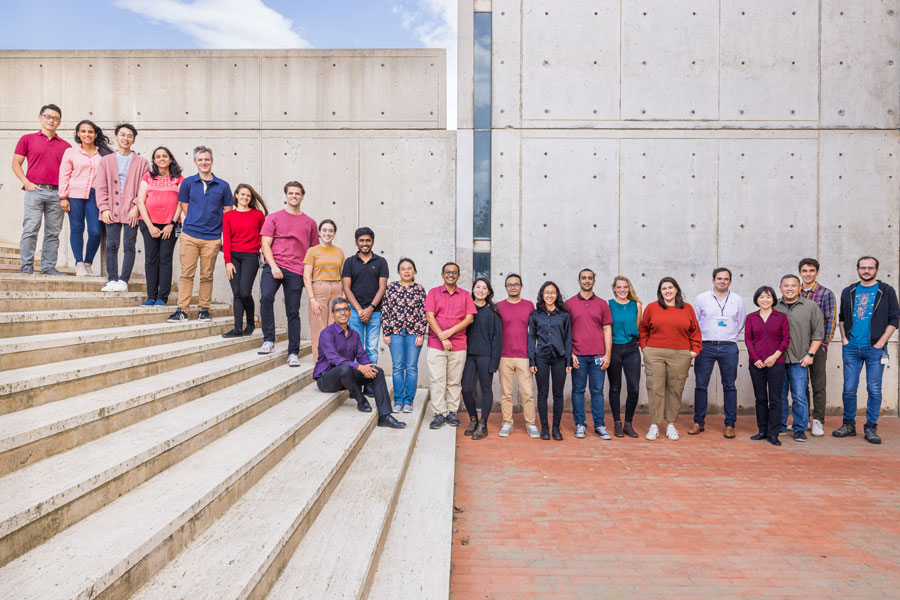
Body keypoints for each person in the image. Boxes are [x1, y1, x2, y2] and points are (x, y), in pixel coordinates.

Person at [833, 257, 899, 444]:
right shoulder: (849, 291)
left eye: (870, 268)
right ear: (857, 269)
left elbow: (895, 319)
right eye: (863, 267)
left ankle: (871, 427)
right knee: (849, 389)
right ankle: (848, 424)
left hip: (875, 349)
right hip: (852, 348)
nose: (866, 271)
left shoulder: (886, 291)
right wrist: (845, 339)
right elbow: (842, 317)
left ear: (877, 270)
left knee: (874, 389)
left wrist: (881, 343)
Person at [313, 298, 405, 429]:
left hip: (348, 377)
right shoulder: (327, 333)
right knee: (344, 368)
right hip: (327, 380)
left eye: (345, 309)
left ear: (350, 312)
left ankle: (385, 416)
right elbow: (334, 359)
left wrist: (368, 367)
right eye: (338, 310)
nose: (343, 313)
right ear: (333, 314)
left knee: (378, 372)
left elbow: (362, 355)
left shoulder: (354, 334)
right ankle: (361, 400)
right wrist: (359, 367)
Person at [257, 182, 319, 366]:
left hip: (296, 270)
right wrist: (274, 266)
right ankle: (269, 340)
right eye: (290, 193)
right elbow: (265, 245)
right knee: (266, 298)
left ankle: (293, 352)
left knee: (292, 311)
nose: (294, 196)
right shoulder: (274, 218)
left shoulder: (310, 222)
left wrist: (309, 275)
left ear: (302, 196)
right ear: (286, 195)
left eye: (297, 193)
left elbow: (313, 252)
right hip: (274, 266)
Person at [168, 146, 233, 322]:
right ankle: (182, 310)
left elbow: (228, 213)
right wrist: (197, 220)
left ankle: (204, 309)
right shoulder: (188, 183)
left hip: (212, 238)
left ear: (211, 161)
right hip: (190, 235)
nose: (204, 162)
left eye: (207, 159)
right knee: (186, 274)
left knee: (206, 275)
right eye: (200, 160)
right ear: (195, 162)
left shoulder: (223, 186)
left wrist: (217, 232)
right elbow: (184, 206)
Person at [639, 277, 702, 441]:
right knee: (655, 388)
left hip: (680, 354)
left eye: (670, 287)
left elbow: (695, 331)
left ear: (676, 290)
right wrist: (645, 349)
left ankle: (671, 425)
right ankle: (654, 425)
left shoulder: (687, 308)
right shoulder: (652, 308)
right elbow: (643, 329)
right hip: (655, 353)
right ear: (660, 291)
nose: (667, 291)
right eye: (664, 288)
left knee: (675, 389)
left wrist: (694, 351)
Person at [12, 103, 71, 275]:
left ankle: (48, 267)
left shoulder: (66, 146)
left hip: (57, 193)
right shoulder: (27, 139)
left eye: (55, 118)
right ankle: (26, 265)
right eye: (48, 116)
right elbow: (16, 164)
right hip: (34, 191)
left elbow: (68, 173)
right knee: (30, 229)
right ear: (40, 117)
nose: (51, 120)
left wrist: (64, 195)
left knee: (53, 233)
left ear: (59, 122)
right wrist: (27, 182)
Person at [690, 268, 747, 438]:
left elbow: (740, 322)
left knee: (729, 386)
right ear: (713, 280)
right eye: (719, 278)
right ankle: (698, 422)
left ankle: (730, 424)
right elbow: (694, 321)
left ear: (730, 281)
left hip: (728, 346)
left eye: (726, 279)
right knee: (701, 385)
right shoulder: (701, 298)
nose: (722, 281)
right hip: (705, 346)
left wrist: (727, 334)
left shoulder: (737, 300)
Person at [94, 124, 150, 292]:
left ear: (133, 140)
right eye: (123, 135)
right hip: (111, 208)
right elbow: (101, 186)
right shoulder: (106, 161)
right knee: (111, 244)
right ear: (116, 137)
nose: (126, 138)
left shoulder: (142, 162)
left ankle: (124, 280)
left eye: (130, 136)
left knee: (129, 245)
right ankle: (112, 279)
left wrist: (136, 207)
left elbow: (144, 187)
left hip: (132, 210)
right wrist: (104, 208)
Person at [425, 262, 476, 429]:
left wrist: (449, 333)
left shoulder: (466, 295)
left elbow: (469, 319)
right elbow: (430, 317)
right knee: (437, 380)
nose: (451, 275)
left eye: (454, 272)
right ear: (442, 275)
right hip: (436, 344)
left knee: (454, 381)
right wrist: (442, 337)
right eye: (447, 272)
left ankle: (452, 412)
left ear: (458, 276)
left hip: (459, 345)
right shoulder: (433, 293)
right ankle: (439, 413)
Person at [58, 119, 112, 277]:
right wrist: (63, 197)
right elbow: (64, 175)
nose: (87, 134)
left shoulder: (104, 154)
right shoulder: (71, 152)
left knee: (95, 231)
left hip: (96, 194)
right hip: (74, 194)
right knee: (76, 228)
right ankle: (79, 263)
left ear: (95, 134)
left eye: (90, 131)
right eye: (83, 131)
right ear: (78, 134)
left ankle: (88, 262)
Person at [773, 274, 824, 442]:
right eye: (786, 286)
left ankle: (800, 428)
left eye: (793, 285)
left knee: (799, 396)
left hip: (799, 360)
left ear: (800, 288)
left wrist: (810, 354)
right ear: (780, 288)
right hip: (778, 360)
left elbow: (818, 334)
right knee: (779, 395)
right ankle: (779, 426)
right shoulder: (774, 307)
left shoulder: (811, 306)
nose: (789, 289)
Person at [566, 268, 613, 439]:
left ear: (594, 281)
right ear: (578, 280)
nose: (587, 281)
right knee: (578, 390)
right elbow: (566, 331)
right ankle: (580, 424)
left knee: (597, 391)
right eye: (583, 278)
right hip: (578, 355)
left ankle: (599, 425)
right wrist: (570, 353)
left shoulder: (602, 304)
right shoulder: (569, 303)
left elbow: (607, 330)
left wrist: (607, 354)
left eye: (590, 278)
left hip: (598, 357)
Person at [135, 146, 184, 306]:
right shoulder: (148, 176)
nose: (161, 159)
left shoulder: (178, 178)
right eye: (158, 156)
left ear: (170, 159)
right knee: (151, 259)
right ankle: (151, 296)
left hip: (170, 225)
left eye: (165, 156)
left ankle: (162, 297)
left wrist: (171, 224)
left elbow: (180, 203)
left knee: (165, 259)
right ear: (154, 160)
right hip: (149, 223)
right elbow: (140, 201)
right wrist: (149, 226)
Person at [744, 286, 790, 446]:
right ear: (757, 299)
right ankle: (762, 430)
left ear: (773, 299)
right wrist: (755, 358)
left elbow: (785, 340)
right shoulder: (751, 317)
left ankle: (773, 434)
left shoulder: (781, 317)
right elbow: (748, 340)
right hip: (756, 363)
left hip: (776, 363)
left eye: (768, 297)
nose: (765, 300)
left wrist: (774, 356)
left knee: (776, 399)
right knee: (761, 398)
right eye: (762, 297)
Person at [381, 258, 427, 414]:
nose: (406, 271)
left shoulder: (419, 289)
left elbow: (423, 313)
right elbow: (385, 311)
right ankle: (398, 400)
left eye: (409, 268)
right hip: (395, 333)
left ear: (414, 270)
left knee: (412, 367)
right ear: (398, 271)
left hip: (414, 334)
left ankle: (408, 401)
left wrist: (421, 333)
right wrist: (386, 333)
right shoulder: (391, 288)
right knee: (398, 367)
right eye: (403, 268)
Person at [528, 281, 573, 441]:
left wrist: (568, 360)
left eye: (553, 292)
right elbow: (531, 338)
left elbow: (568, 339)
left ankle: (556, 427)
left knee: (558, 394)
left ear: (557, 295)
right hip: (541, 359)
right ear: (542, 295)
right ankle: (545, 428)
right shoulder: (535, 315)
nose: (550, 295)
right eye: (546, 292)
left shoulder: (564, 315)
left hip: (559, 359)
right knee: (542, 393)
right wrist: (531, 360)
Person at [221, 183, 267, 336]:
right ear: (236, 195)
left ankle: (251, 324)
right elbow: (226, 241)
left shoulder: (258, 215)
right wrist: (228, 262)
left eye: (248, 195)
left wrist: (265, 254)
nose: (245, 197)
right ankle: (237, 328)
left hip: (251, 256)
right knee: (236, 293)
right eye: (242, 194)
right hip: (233, 256)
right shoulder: (228, 216)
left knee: (245, 292)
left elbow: (264, 237)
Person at [341, 227, 389, 372]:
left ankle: (370, 381)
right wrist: (360, 310)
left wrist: (370, 309)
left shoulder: (381, 262)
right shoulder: (349, 262)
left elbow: (382, 288)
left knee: (372, 348)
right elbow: (346, 288)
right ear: (356, 242)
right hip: (355, 313)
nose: (365, 243)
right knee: (356, 347)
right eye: (361, 240)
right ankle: (358, 378)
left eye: (368, 240)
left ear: (372, 242)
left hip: (375, 312)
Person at [798, 258, 837, 437]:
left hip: (817, 346)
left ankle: (818, 421)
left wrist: (824, 344)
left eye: (811, 271)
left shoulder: (825, 293)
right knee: (801, 385)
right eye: (805, 271)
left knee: (818, 385)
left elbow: (830, 320)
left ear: (817, 272)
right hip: (797, 347)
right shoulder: (794, 291)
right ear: (800, 272)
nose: (808, 274)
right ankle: (803, 419)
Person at [497, 274, 539, 438]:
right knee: (506, 393)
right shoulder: (499, 306)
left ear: (521, 286)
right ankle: (507, 423)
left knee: (527, 393)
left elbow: (534, 332)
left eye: (516, 284)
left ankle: (531, 424)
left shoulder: (529, 305)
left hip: (524, 356)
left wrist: (533, 356)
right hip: (504, 355)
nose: (513, 287)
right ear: (505, 287)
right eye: (509, 284)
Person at [461, 278, 502, 440]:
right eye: (478, 287)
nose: (480, 290)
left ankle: (483, 424)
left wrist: (494, 361)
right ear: (472, 289)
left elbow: (497, 338)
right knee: (466, 388)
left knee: (486, 388)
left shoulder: (493, 311)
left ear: (489, 292)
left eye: (484, 288)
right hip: (468, 355)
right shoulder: (466, 309)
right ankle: (473, 419)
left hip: (486, 355)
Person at [303, 219, 345, 361]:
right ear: (320, 233)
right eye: (325, 230)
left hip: (336, 288)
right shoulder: (312, 251)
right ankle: (319, 364)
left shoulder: (339, 252)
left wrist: (343, 295)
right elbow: (306, 277)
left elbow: (342, 275)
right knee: (319, 328)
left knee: (336, 326)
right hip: (319, 288)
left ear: (334, 233)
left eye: (331, 231)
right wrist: (312, 299)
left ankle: (333, 362)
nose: (328, 233)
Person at [608, 276, 643, 438]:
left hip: (631, 349)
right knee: (615, 387)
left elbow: (637, 328)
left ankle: (628, 423)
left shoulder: (637, 305)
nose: (622, 290)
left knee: (634, 388)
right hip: (613, 348)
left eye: (625, 287)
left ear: (629, 288)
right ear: (614, 289)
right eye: (619, 287)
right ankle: (617, 423)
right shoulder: (608, 305)